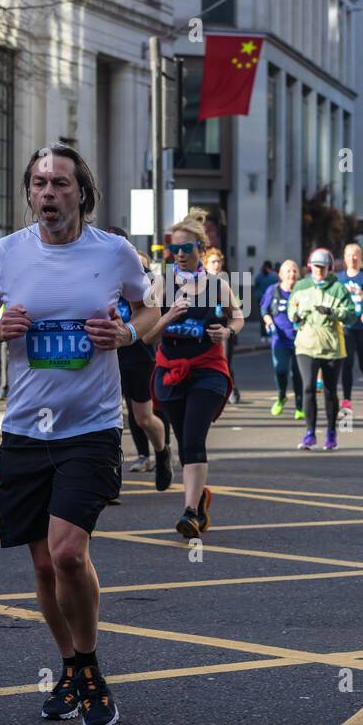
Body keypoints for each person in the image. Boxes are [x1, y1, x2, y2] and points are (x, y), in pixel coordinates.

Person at [0, 142, 158, 725]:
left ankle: (91, 667)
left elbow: (148, 310)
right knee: (44, 567)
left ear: (83, 194)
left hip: (91, 429)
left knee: (69, 553)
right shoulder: (5, 254)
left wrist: (126, 336)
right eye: (40, 184)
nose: (48, 193)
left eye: (60, 184)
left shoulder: (114, 252)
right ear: (30, 193)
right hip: (26, 430)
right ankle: (71, 666)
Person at [143, 217, 240, 533]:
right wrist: (168, 316)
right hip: (170, 371)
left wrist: (225, 331)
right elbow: (146, 337)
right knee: (185, 442)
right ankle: (199, 500)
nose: (180, 254)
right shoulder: (161, 284)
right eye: (174, 248)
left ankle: (189, 513)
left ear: (201, 248)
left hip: (207, 370)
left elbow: (237, 317)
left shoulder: (217, 285)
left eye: (187, 248)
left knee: (195, 438)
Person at [111, 236, 173, 490]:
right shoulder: (96, 274)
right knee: (109, 418)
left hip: (138, 356)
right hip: (106, 355)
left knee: (143, 418)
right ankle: (110, 480)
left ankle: (161, 451)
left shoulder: (146, 278)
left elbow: (154, 314)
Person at [289, 249, 356, 449]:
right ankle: (310, 432)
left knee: (329, 391)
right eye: (316, 267)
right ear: (310, 266)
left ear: (330, 268)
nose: (319, 271)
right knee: (308, 387)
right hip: (306, 345)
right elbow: (292, 307)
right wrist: (296, 315)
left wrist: (334, 312)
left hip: (331, 346)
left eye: (323, 267)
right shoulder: (301, 286)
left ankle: (332, 432)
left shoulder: (338, 288)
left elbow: (351, 315)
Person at [261, 259, 305, 420]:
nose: (291, 274)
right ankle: (281, 397)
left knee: (298, 374)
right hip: (279, 339)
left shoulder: (302, 292)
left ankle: (300, 407)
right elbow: (264, 310)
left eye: (294, 271)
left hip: (300, 340)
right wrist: (269, 322)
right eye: (288, 271)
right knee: (281, 370)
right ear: (280, 274)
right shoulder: (272, 291)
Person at [336, 243, 363, 412]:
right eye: (349, 255)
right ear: (344, 258)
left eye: (356, 255)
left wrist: (362, 298)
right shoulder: (339, 278)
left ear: (360, 258)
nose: (353, 258)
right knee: (347, 362)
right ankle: (346, 399)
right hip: (346, 326)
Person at [203, 248, 240, 404]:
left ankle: (230, 388)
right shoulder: (200, 281)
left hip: (222, 325)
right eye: (213, 262)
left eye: (218, 261)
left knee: (224, 359)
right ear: (206, 264)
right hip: (204, 327)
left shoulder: (225, 282)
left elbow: (237, 307)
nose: (217, 265)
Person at [253, 260, 278, 344]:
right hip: (272, 300)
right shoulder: (275, 276)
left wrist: (258, 296)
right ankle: (270, 335)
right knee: (272, 317)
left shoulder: (259, 276)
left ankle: (264, 335)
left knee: (262, 318)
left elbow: (256, 287)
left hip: (261, 300)